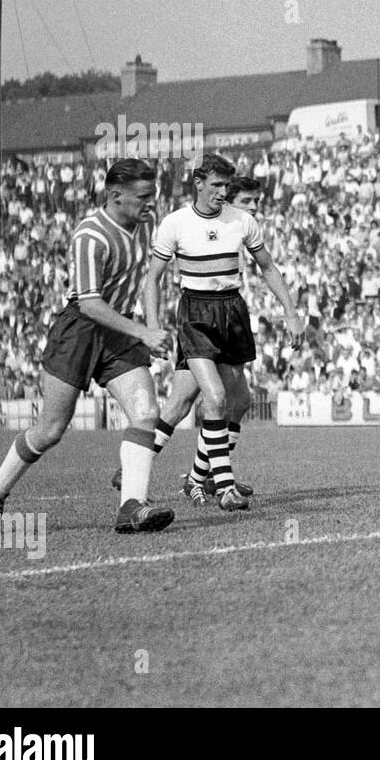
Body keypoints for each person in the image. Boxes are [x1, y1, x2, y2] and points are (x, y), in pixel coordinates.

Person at [0, 159, 174, 534]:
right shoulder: (90, 235)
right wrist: (143, 332)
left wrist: (150, 327)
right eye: (143, 196)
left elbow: (149, 280)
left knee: (146, 413)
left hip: (119, 333)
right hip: (79, 331)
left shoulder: (145, 226)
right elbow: (88, 303)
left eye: (154, 194)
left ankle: (131, 507)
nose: (151, 203)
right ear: (115, 197)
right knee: (50, 431)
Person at [143, 156, 304, 511]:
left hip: (232, 311)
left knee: (227, 400)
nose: (221, 192)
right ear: (198, 182)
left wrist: (292, 314)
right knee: (213, 398)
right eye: (215, 185)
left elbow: (268, 267)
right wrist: (152, 327)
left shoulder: (242, 221)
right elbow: (151, 279)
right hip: (196, 314)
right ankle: (224, 485)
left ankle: (178, 474)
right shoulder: (175, 223)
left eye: (225, 187)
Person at [109, 175, 264, 498]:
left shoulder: (237, 227)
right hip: (201, 322)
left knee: (187, 402)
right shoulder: (212, 222)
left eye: (255, 202)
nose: (252, 208)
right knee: (221, 400)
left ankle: (168, 470)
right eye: (246, 201)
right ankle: (203, 478)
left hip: (219, 320)